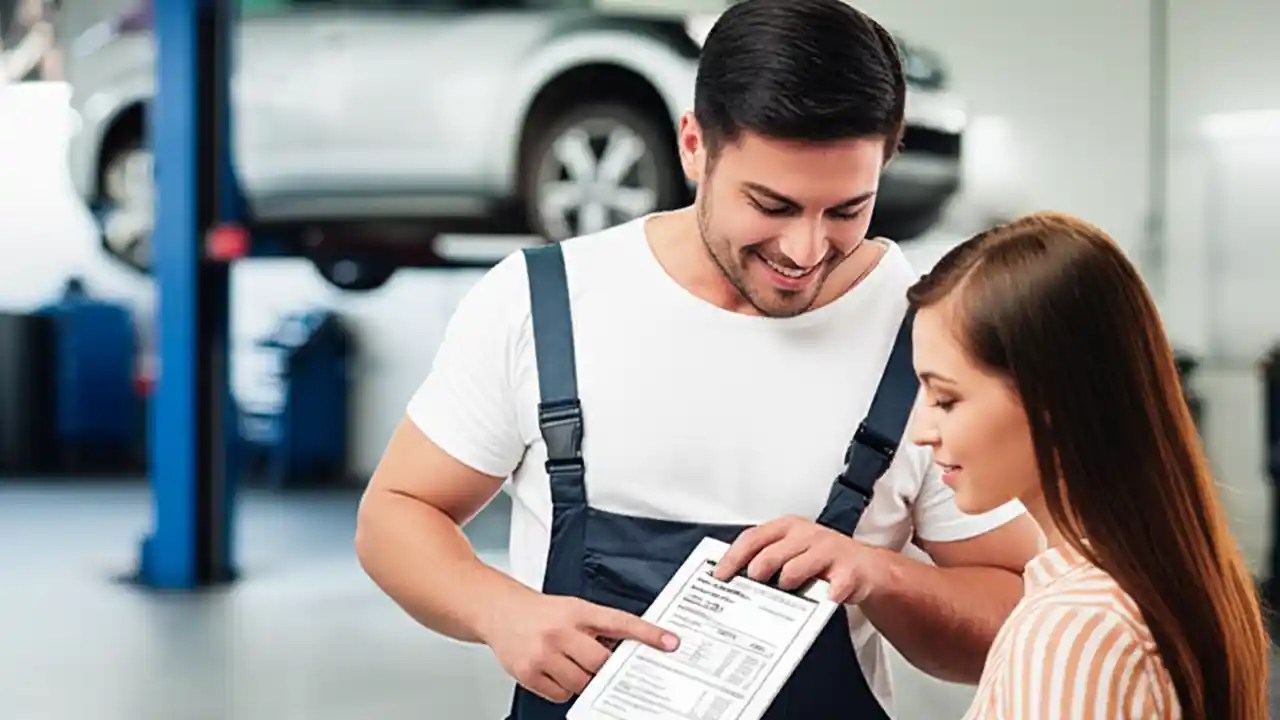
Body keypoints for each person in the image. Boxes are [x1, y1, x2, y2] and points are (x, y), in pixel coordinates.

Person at [355, 1, 1041, 717]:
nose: (804, 252)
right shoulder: (542, 303)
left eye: (845, 210)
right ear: (694, 146)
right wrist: (498, 611)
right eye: (771, 204)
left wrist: (884, 576)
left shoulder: (926, 337)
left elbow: (1016, 616)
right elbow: (397, 513)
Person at [900, 211, 1268, 718]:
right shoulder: (1160, 584)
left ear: (1050, 400)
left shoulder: (1075, 630)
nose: (922, 431)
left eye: (945, 400)